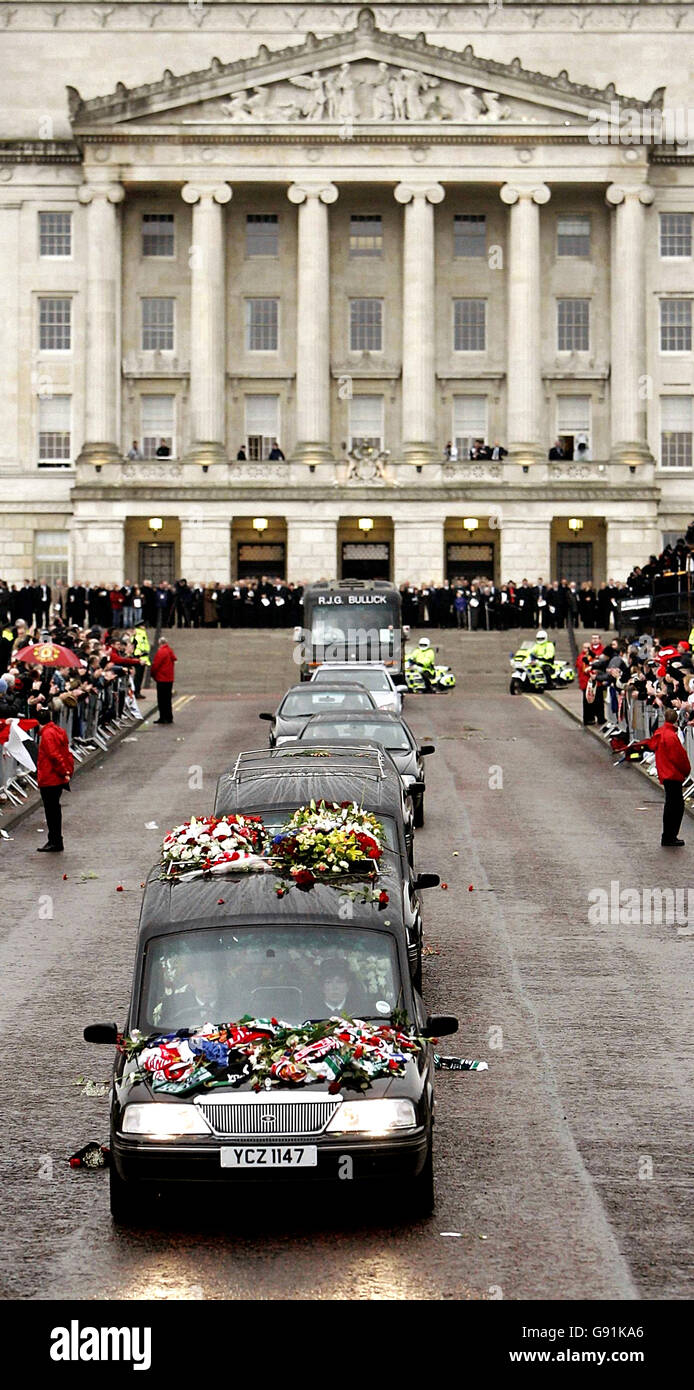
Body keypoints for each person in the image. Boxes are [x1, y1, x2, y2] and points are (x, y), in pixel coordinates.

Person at [635, 708, 691, 847]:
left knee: (671, 805)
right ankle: (670, 836)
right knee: (676, 806)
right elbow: (679, 758)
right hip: (673, 774)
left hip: (665, 773)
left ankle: (668, 835)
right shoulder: (671, 736)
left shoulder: (661, 733)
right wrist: (686, 771)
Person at [36, 706, 74, 852]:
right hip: (55, 777)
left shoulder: (47, 735)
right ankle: (55, 839)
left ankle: (55, 840)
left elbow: (54, 756)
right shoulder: (57, 730)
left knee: (51, 811)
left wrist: (62, 771)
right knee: (54, 810)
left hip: (50, 777)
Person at [151, 638, 177, 724]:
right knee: (167, 699)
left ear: (159, 644)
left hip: (162, 678)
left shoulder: (161, 652)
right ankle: (169, 717)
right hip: (169, 678)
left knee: (161, 699)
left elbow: (155, 665)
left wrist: (153, 674)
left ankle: (163, 717)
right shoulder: (169, 651)